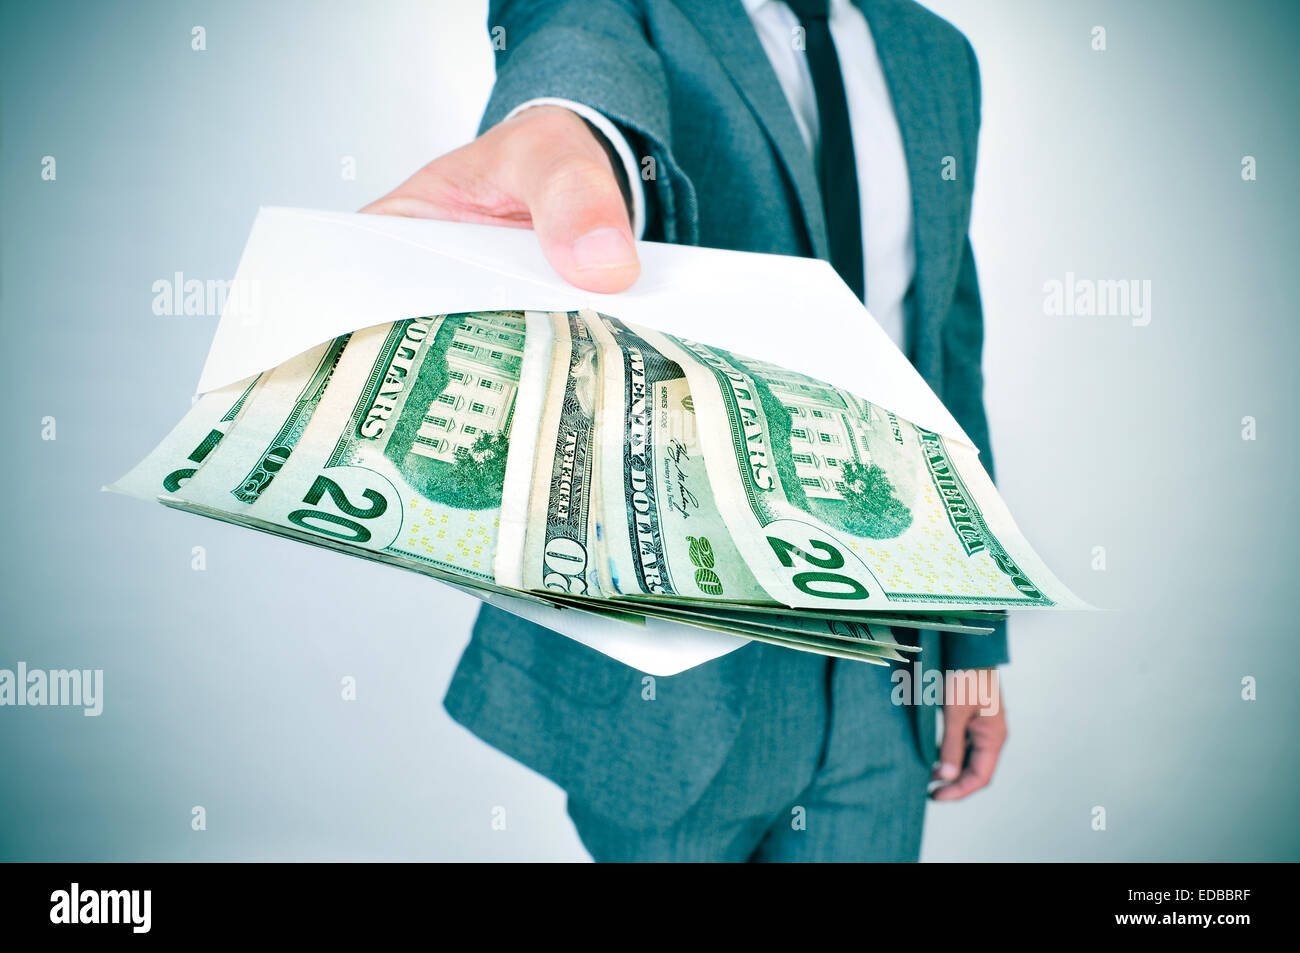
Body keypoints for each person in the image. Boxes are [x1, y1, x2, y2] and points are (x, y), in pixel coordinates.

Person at [364, 0, 1008, 862]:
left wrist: (972, 639)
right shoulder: (630, 9)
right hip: (676, 679)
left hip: (885, 679)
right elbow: (575, 51)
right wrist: (572, 135)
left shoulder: (939, 57)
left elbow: (948, 360)